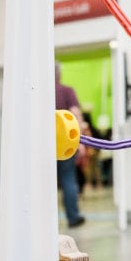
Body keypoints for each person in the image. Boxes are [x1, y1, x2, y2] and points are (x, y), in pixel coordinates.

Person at [56, 64, 86, 227]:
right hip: (66, 143)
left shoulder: (39, 93)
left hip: (44, 145)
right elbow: (76, 113)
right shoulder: (67, 91)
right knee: (68, 179)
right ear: (59, 74)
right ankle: (73, 218)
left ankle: (43, 222)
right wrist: (80, 141)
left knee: (43, 181)